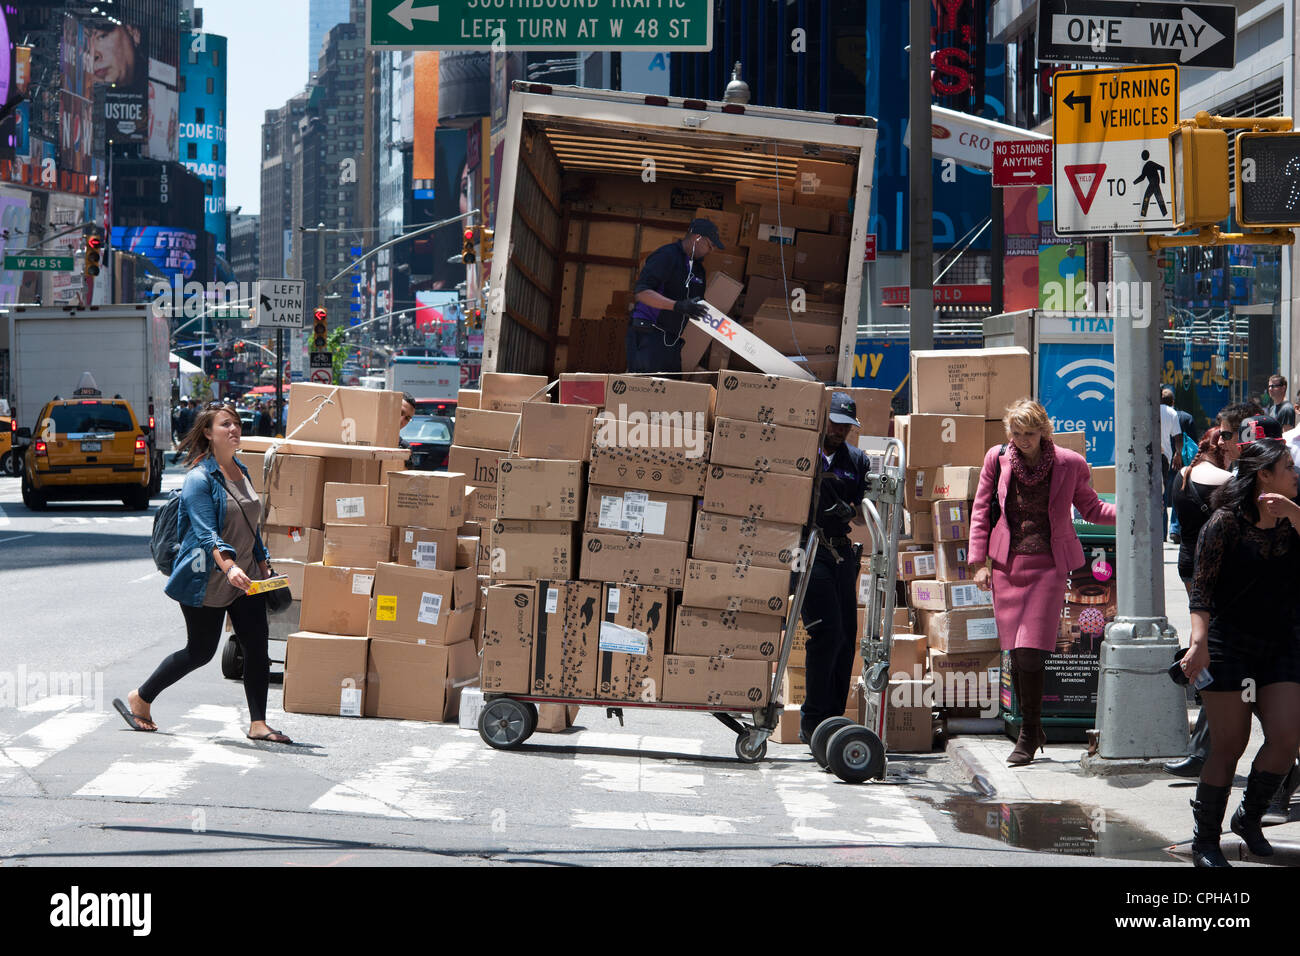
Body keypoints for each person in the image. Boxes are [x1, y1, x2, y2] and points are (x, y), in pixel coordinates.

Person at [111, 401, 291, 744]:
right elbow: (207, 532)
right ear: (208, 433)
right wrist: (229, 566)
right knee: (201, 651)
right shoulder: (198, 478)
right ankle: (141, 697)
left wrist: (263, 565)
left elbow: (253, 528)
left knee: (257, 647)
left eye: (236, 423)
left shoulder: (242, 471)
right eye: (226, 424)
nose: (234, 429)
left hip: (246, 578)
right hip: (206, 579)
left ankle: (258, 723)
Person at [968, 399, 1116, 766]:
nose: (1022, 441)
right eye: (1016, 434)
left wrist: (1132, 510)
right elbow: (982, 509)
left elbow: (1092, 509)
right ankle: (1031, 729)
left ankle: (1029, 732)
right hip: (1006, 565)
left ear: (1044, 431)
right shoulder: (997, 458)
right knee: (1017, 654)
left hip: (1049, 566)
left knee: (1031, 651)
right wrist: (979, 562)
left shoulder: (1069, 463)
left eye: (1029, 434)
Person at [1181, 434, 1300, 866]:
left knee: (1287, 737)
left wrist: (1294, 514)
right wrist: (1198, 643)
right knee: (1230, 744)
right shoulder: (1225, 522)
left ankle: (1248, 819)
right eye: (1288, 467)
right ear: (1263, 475)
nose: (1295, 473)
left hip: (1281, 642)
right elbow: (1202, 591)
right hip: (1228, 643)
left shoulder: (1293, 517)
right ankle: (1205, 842)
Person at [800, 392, 869, 745]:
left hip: (840, 552)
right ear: (823, 418)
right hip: (807, 550)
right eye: (836, 423)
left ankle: (833, 720)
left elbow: (867, 510)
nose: (840, 431)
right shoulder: (801, 449)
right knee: (826, 633)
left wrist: (850, 511)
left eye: (847, 426)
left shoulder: (856, 460)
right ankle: (813, 719)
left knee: (845, 640)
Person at [625, 219, 724, 374]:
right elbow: (642, 293)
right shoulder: (666, 256)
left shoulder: (698, 270)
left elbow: (697, 302)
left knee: (671, 391)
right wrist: (677, 306)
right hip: (648, 334)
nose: (710, 251)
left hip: (672, 339)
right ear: (697, 238)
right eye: (709, 246)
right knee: (645, 389)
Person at [1161, 389, 1183, 541]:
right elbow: (1178, 437)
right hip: (1164, 458)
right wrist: (1178, 454)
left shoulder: (1142, 409)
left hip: (1144, 456)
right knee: (1161, 495)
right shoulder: (1171, 413)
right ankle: (1161, 533)